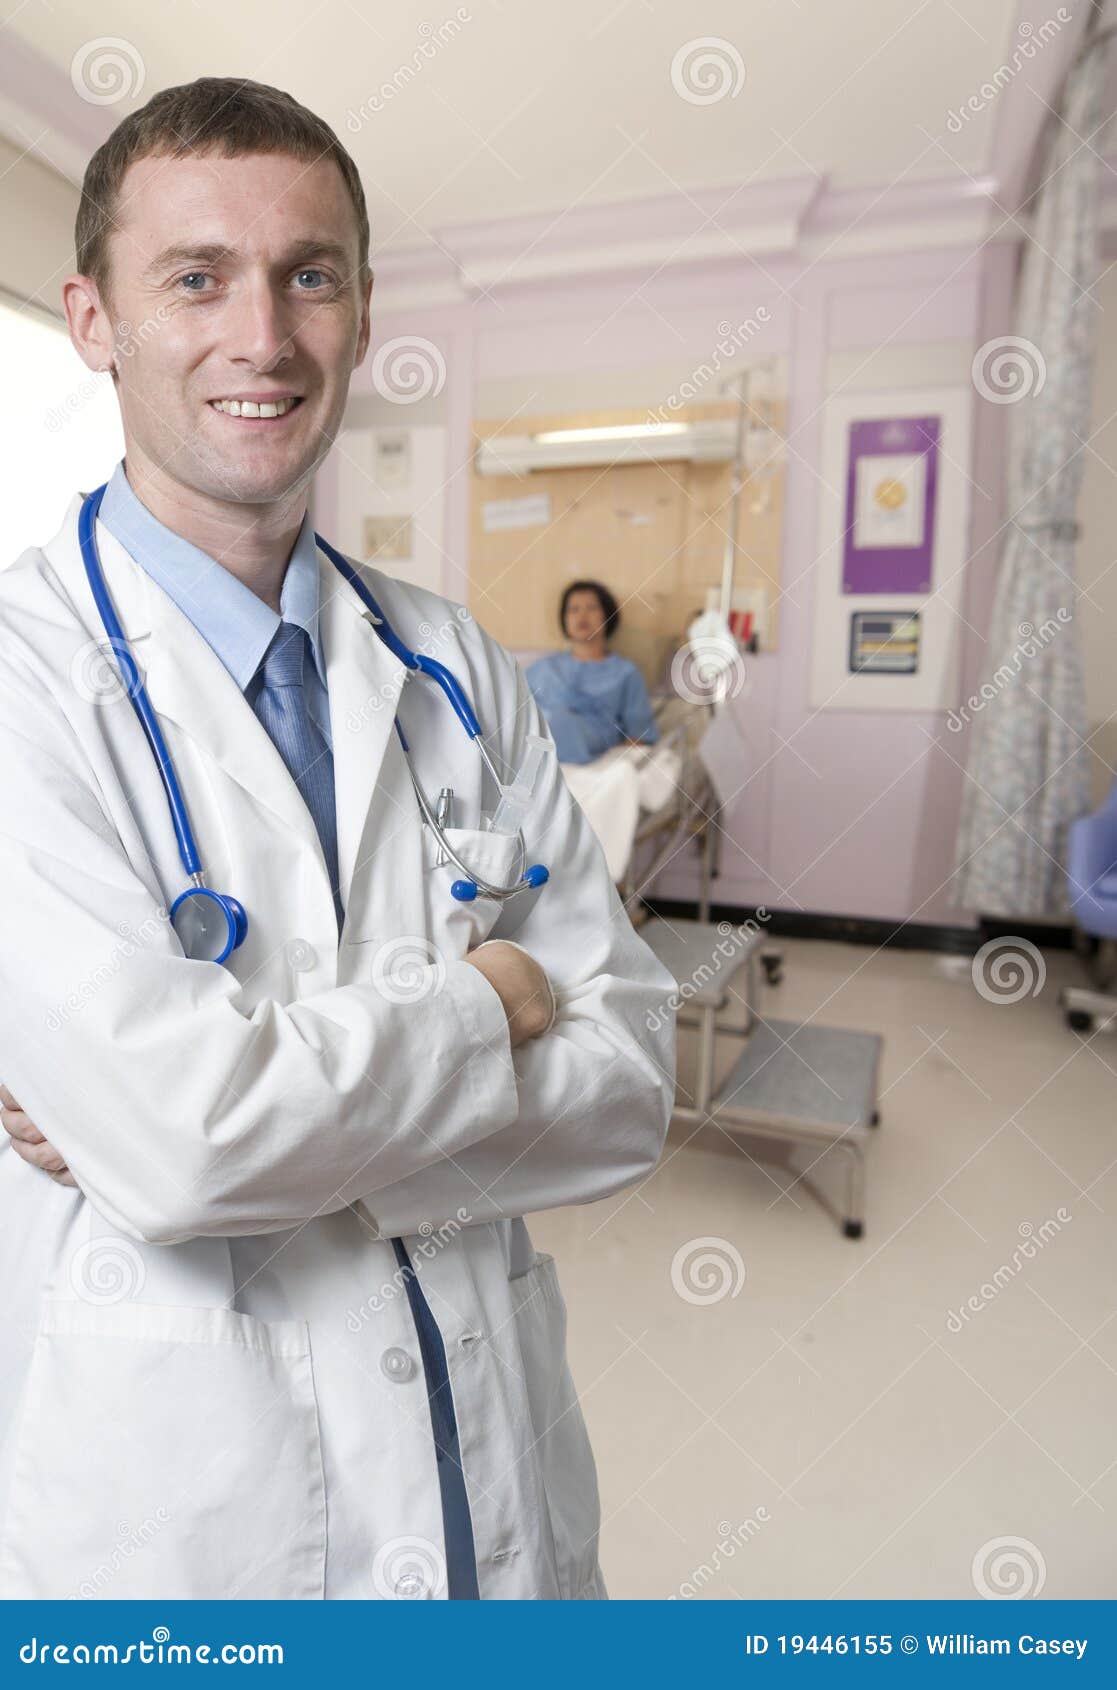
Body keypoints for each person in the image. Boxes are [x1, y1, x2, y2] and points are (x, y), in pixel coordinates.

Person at [0, 77, 676, 1601]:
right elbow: (189, 1144)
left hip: (488, 1462)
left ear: (363, 315)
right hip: (190, 1516)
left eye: (309, 275)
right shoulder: (22, 675)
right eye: (196, 277)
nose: (263, 335)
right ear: (95, 321)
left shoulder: (454, 661)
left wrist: (237, 1113)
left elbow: (632, 1082)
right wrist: (496, 999)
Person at [525, 580, 661, 765]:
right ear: (564, 620)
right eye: (573, 609)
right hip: (538, 746)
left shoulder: (625, 673)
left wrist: (614, 765)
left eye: (591, 607)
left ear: (607, 615)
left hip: (594, 746)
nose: (582, 615)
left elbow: (640, 734)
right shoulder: (543, 669)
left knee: (560, 721)